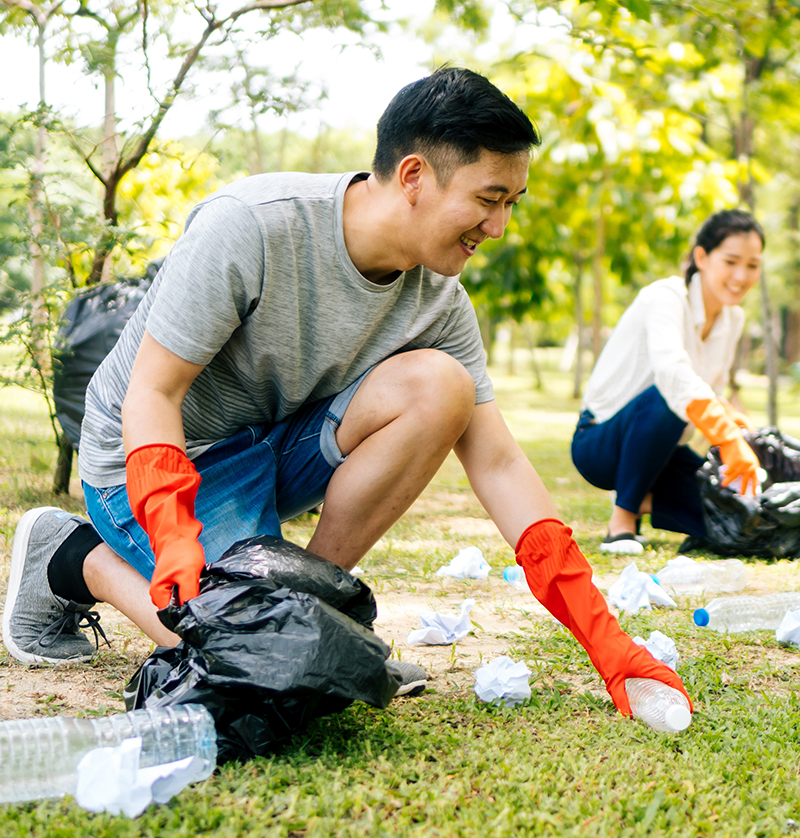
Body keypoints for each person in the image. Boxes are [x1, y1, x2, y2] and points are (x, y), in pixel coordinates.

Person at [2, 67, 690, 717]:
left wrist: (608, 642)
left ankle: (311, 614)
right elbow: (152, 391)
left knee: (439, 387)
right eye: (487, 200)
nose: (500, 228)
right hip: (152, 457)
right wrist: (172, 527)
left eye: (511, 203)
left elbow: (502, 464)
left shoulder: (440, 304)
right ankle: (74, 557)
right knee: (256, 664)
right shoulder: (251, 226)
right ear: (415, 176)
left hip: (270, 451)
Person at [571, 209, 764, 555]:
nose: (741, 275)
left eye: (752, 265)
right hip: (600, 444)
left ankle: (644, 498)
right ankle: (622, 523)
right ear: (701, 257)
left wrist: (738, 428)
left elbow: (708, 392)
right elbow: (674, 376)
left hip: (662, 452)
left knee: (732, 518)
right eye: (731, 261)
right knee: (669, 392)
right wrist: (727, 436)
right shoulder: (666, 296)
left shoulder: (733, 318)